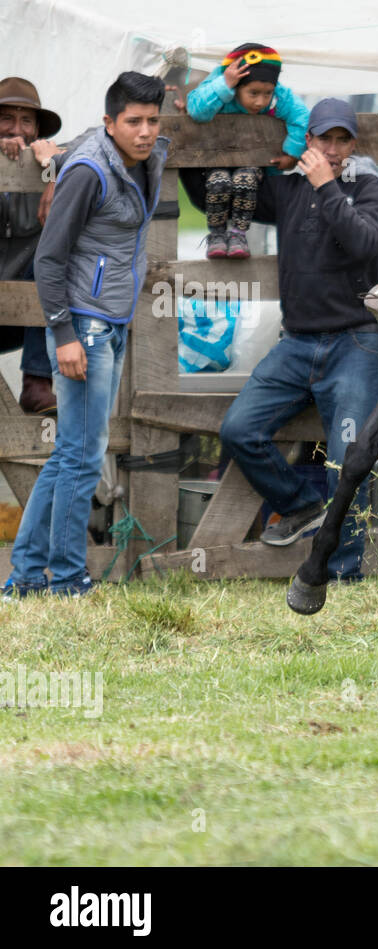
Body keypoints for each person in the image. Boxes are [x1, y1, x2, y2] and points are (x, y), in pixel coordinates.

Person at [3, 72, 168, 599]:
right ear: (110, 122)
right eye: (133, 121)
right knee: (83, 452)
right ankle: (68, 578)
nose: (144, 131)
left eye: (152, 120)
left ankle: (26, 577)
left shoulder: (145, 157)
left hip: (113, 320)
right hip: (85, 323)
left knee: (70, 452)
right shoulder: (89, 170)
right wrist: (66, 333)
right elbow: (49, 259)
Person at [214, 99, 378, 582]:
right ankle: (300, 505)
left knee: (348, 459)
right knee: (238, 431)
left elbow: (363, 243)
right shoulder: (288, 188)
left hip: (356, 344)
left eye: (342, 140)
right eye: (324, 139)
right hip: (296, 345)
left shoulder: (370, 187)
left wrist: (327, 185)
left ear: (354, 144)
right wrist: (210, 124)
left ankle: (343, 574)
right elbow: (210, 189)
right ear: (307, 139)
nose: (332, 149)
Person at [185, 43, 309, 259]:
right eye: (253, 93)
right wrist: (225, 85)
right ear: (237, 86)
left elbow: (302, 118)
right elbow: (197, 111)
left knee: (245, 178)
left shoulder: (280, 98)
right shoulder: (222, 85)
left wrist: (291, 154)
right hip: (214, 166)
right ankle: (217, 235)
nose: (260, 101)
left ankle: (238, 234)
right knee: (219, 180)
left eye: (266, 93)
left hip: (253, 169)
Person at [0, 76, 65, 414]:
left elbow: (91, 154)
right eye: (7, 118)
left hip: (24, 314)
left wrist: (54, 171)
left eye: (26, 120)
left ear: (38, 129)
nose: (17, 129)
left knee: (52, 260)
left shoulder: (46, 165)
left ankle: (37, 383)